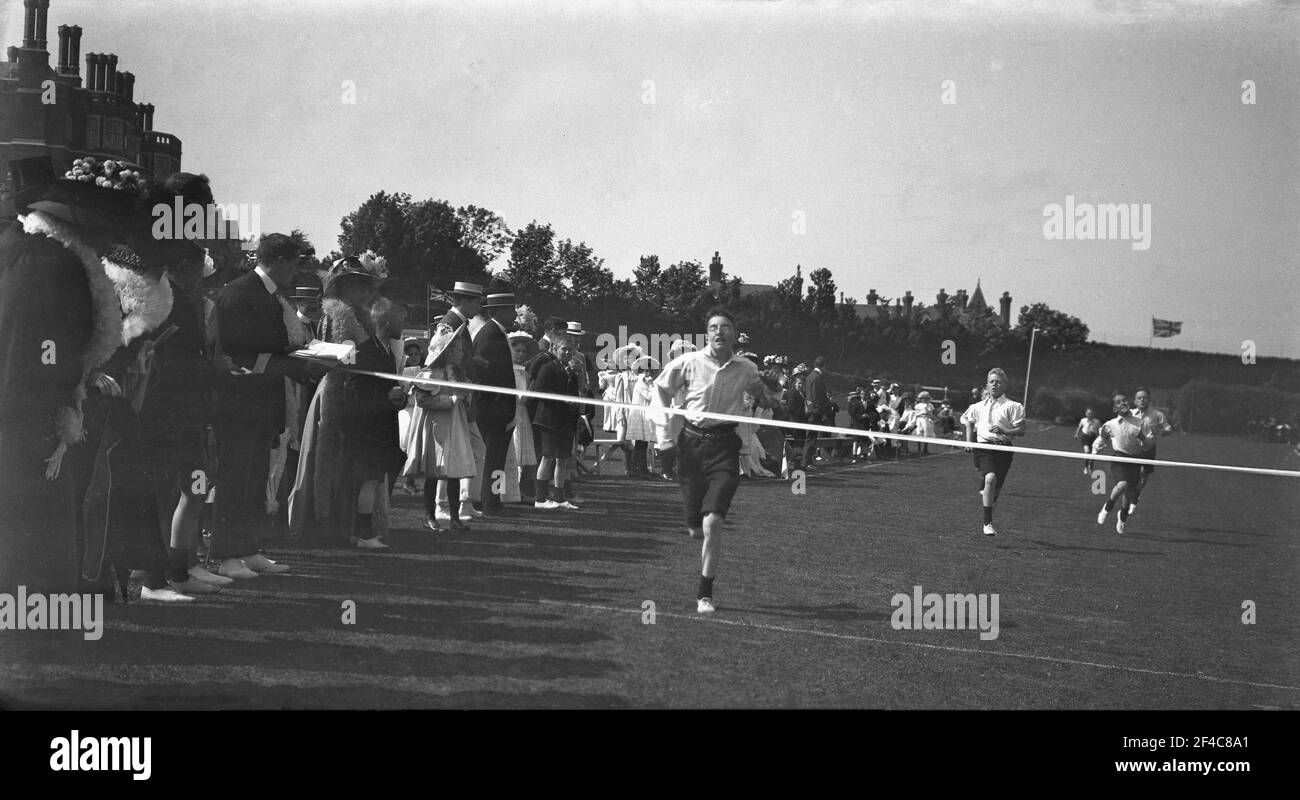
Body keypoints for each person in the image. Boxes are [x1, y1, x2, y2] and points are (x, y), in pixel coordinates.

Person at [654, 306, 781, 614]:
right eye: (713, 327)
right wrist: (663, 437)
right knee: (696, 529)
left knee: (713, 522)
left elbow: (770, 400)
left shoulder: (747, 368)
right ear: (706, 333)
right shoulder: (688, 362)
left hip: (725, 447)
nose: (719, 332)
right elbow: (660, 391)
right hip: (691, 446)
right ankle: (694, 525)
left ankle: (705, 594)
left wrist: (770, 386)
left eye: (725, 327)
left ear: (735, 334)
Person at [211, 232, 320, 577]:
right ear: (278, 261)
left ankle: (248, 549)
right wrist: (303, 366)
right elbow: (237, 352)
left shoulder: (268, 295)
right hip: (239, 402)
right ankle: (226, 555)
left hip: (262, 402)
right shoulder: (241, 292)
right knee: (235, 479)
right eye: (293, 264)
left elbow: (272, 348)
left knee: (255, 478)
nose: (296, 272)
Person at [292, 254, 399, 550]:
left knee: (350, 463)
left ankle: (350, 527)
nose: (364, 291)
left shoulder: (363, 318)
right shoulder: (336, 316)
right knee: (333, 460)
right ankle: (331, 526)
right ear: (342, 288)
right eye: (356, 285)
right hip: (337, 394)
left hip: (357, 397)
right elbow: (334, 360)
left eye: (366, 285)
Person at [406, 324, 477, 531]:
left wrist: (466, 397)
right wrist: (450, 399)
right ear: (448, 351)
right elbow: (423, 400)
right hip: (437, 426)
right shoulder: (430, 374)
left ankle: (454, 517)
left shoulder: (456, 372)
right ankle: (430, 515)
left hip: (456, 424)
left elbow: (467, 393)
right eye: (458, 349)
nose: (461, 353)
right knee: (433, 472)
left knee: (454, 471)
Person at [431, 282, 487, 523]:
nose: (478, 307)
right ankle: (442, 503)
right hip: (453, 395)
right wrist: (471, 371)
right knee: (452, 451)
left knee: (473, 449)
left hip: (462, 394)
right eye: (476, 302)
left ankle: (465, 501)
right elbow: (444, 359)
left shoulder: (459, 323)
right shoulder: (450, 323)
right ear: (464, 301)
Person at [960, 368, 1026, 536]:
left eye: (998, 381)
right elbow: (968, 421)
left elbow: (1021, 430)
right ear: (987, 385)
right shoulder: (977, 406)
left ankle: (989, 503)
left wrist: (1005, 430)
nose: (994, 384)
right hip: (984, 448)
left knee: (995, 490)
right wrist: (969, 442)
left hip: (1004, 449)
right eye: (992, 381)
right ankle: (987, 523)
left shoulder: (1014, 406)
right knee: (990, 478)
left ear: (1005, 385)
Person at [472, 291, 519, 516]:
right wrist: (499, 405)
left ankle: (493, 499)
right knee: (493, 457)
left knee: (498, 458)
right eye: (510, 310)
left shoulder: (496, 334)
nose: (515, 315)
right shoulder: (489, 336)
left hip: (499, 409)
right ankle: (490, 502)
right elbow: (484, 374)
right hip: (493, 411)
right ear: (497, 311)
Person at [530, 332, 583, 510]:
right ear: (554, 349)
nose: (567, 353)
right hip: (548, 419)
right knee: (547, 457)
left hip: (564, 420)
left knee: (563, 459)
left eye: (570, 350)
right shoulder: (547, 367)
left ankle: (560, 498)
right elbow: (540, 391)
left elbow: (575, 392)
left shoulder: (572, 370)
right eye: (564, 349)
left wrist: (574, 402)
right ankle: (540, 498)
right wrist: (562, 399)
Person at [1093, 393, 1152, 534]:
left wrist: (1145, 440)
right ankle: (1108, 506)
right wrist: (1095, 450)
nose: (1123, 403)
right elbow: (1101, 440)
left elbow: (1147, 445)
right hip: (1119, 458)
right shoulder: (1110, 424)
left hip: (1135, 460)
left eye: (1125, 400)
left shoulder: (1139, 423)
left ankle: (1122, 516)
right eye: (1119, 402)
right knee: (1122, 484)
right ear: (1115, 408)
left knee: (1130, 493)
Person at [1129, 387, 1172, 513]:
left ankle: (1135, 498)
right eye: (1139, 398)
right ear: (1135, 401)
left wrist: (1162, 431)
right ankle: (1132, 495)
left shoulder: (1157, 414)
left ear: (1149, 400)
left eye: (1145, 397)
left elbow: (1168, 429)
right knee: (1130, 477)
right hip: (1131, 448)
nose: (1142, 400)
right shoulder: (1130, 414)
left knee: (1143, 475)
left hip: (1148, 448)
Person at [802, 356, 832, 467]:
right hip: (815, 411)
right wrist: (822, 412)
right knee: (811, 438)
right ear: (824, 366)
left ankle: (808, 461)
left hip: (810, 409)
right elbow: (816, 397)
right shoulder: (817, 377)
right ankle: (806, 462)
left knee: (811, 437)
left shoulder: (810, 376)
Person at [1075, 407, 1102, 474]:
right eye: (1089, 413)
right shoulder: (1083, 420)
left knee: (1093, 454)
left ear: (1093, 414)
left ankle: (1091, 464)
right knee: (1087, 452)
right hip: (1085, 437)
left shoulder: (1097, 421)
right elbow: (1079, 427)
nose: (1090, 415)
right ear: (1086, 414)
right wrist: (1076, 434)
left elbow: (1100, 430)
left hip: (1093, 438)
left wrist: (1100, 439)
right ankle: (1086, 467)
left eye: (1091, 414)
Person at [912, 391, 937, 455]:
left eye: (926, 398)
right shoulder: (917, 405)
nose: (925, 399)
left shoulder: (930, 405)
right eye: (924, 398)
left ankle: (925, 448)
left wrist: (932, 417)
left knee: (927, 432)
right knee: (919, 432)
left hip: (927, 419)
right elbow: (916, 413)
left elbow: (933, 412)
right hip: (919, 419)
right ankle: (918, 448)